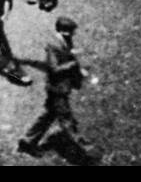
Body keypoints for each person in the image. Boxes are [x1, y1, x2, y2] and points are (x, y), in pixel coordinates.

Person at [19, 16, 99, 163]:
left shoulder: (64, 42)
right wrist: (73, 65)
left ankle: (27, 141)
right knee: (67, 121)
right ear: (63, 32)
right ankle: (86, 151)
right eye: (71, 32)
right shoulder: (54, 46)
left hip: (59, 88)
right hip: (57, 90)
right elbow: (54, 69)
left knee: (48, 115)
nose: (73, 35)